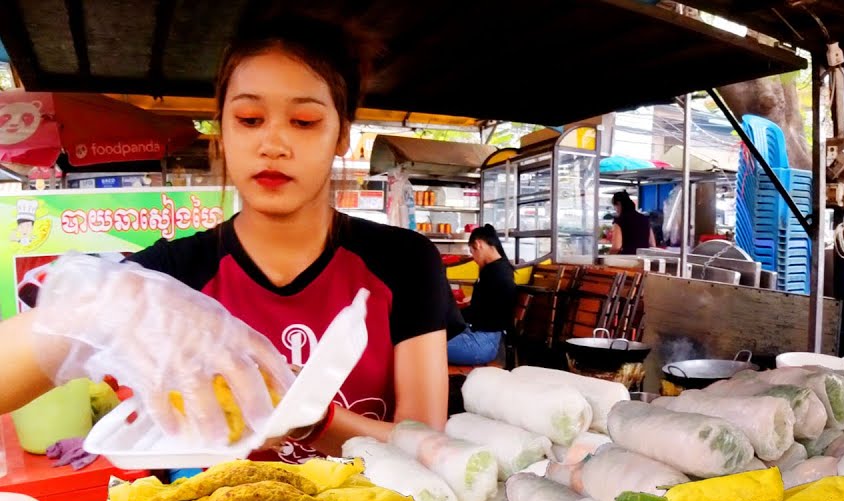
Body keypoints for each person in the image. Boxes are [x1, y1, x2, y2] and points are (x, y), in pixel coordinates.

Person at [0, 14, 454, 460]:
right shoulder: (172, 278)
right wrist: (101, 308)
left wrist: (310, 417)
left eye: (304, 121)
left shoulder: (404, 261)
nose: (273, 143)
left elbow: (428, 445)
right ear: (222, 131)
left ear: (342, 135)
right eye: (250, 119)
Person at [448, 224, 516, 366]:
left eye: (472, 252)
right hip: (481, 337)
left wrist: (452, 315)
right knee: (431, 340)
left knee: (425, 348)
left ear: (478, 244)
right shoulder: (498, 269)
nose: (473, 258)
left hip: (482, 343)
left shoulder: (496, 272)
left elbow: (481, 313)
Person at [609, 190, 655, 255]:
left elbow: (616, 247)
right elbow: (652, 244)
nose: (615, 210)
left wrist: (607, 257)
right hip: (643, 260)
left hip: (626, 261)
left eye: (615, 206)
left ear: (618, 204)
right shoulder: (645, 219)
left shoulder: (619, 221)